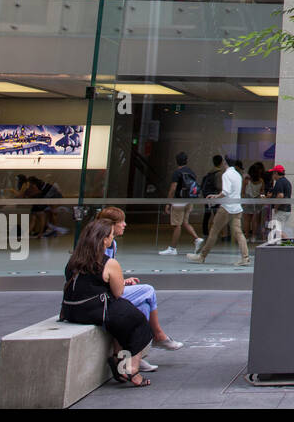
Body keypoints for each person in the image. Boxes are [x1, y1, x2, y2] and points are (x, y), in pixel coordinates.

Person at [59, 219, 152, 387]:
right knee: (139, 321)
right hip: (95, 310)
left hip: (72, 310)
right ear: (104, 240)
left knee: (124, 316)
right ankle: (131, 369)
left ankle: (118, 360)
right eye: (110, 235)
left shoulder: (73, 260)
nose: (112, 238)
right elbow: (118, 293)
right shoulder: (108, 263)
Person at [98, 207, 183, 371]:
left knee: (143, 306)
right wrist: (120, 283)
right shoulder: (99, 245)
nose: (125, 225)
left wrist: (122, 281)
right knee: (148, 291)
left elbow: (108, 274)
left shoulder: (112, 244)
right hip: (102, 296)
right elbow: (98, 277)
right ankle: (158, 335)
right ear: (110, 225)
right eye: (121, 222)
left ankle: (136, 355)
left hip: (111, 289)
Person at [188, 155, 250, 265]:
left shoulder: (226, 174)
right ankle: (245, 257)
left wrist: (215, 196)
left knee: (214, 231)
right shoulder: (237, 175)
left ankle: (202, 256)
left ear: (225, 163)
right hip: (237, 207)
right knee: (239, 233)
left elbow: (225, 192)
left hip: (226, 207)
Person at [159, 152, 201, 255]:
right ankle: (197, 239)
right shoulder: (191, 172)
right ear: (186, 160)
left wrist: (168, 203)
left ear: (177, 161)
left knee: (177, 225)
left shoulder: (177, 173)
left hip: (179, 201)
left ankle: (172, 248)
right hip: (189, 201)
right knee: (185, 222)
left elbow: (173, 188)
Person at [265, 164, 292, 235]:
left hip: (281, 210)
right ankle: (284, 244)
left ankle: (289, 244)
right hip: (286, 210)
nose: (272, 175)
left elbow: (280, 195)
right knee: (278, 230)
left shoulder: (279, 182)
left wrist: (276, 207)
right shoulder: (286, 182)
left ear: (276, 173)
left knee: (277, 230)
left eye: (273, 173)